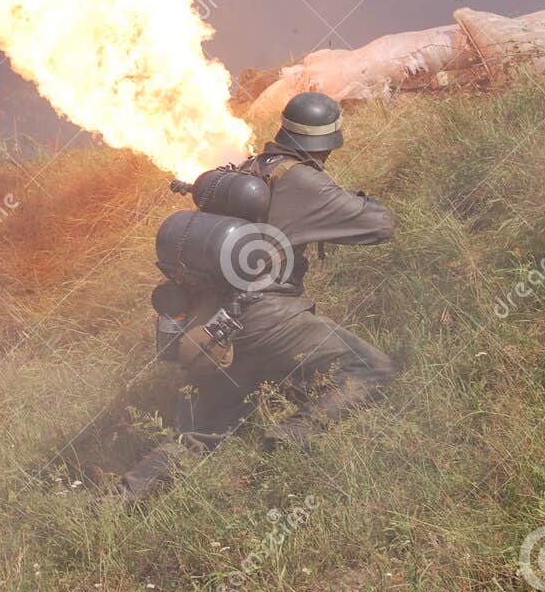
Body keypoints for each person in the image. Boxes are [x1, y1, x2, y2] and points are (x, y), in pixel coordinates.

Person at [121, 91, 397, 498]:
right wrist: (351, 197)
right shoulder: (300, 179)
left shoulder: (246, 169)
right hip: (267, 319)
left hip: (214, 326)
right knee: (370, 368)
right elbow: (380, 225)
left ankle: (117, 503)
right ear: (324, 145)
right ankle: (292, 438)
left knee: (199, 436)